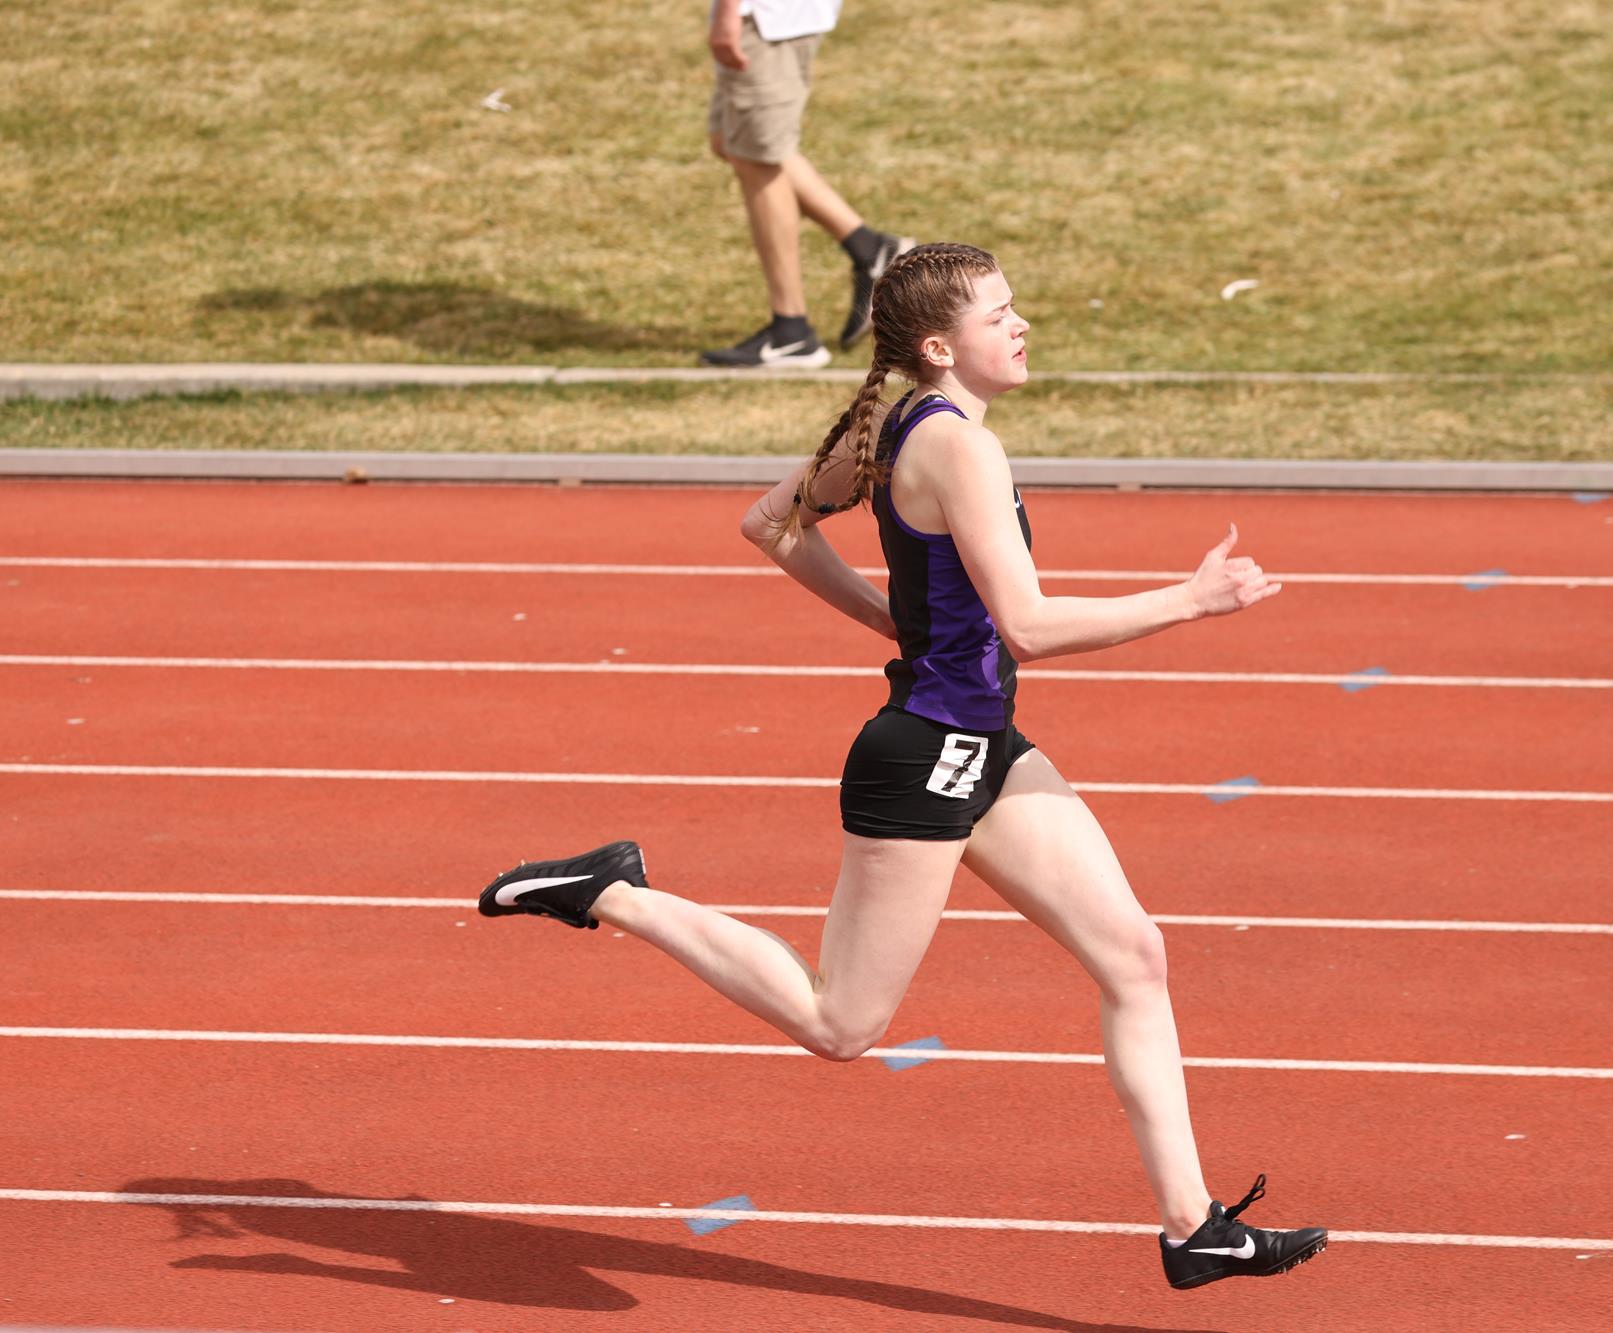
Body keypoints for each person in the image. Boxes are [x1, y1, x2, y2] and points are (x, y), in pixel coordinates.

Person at [479, 243, 1327, 1289]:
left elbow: (767, 523)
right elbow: (1026, 626)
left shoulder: (897, 425)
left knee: (1133, 956)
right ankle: (612, 891)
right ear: (939, 345)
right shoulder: (962, 449)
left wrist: (897, 617)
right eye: (998, 315)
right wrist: (1187, 601)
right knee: (841, 1024)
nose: (1020, 327)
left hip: (983, 748)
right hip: (926, 755)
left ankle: (1192, 1225)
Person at [698, 0, 913, 369]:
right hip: (781, 17)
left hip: (764, 19)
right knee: (730, 143)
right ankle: (872, 248)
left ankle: (791, 332)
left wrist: (728, 13)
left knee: (757, 159)